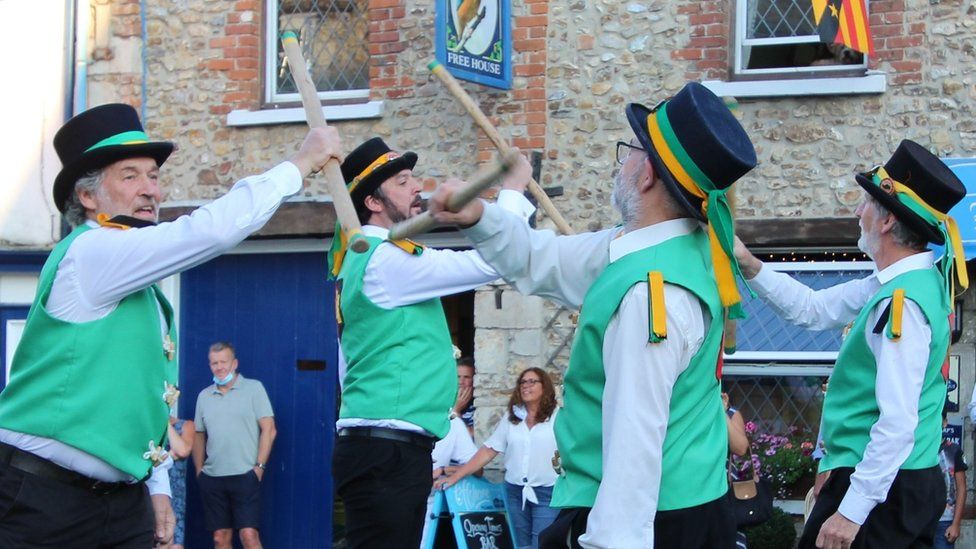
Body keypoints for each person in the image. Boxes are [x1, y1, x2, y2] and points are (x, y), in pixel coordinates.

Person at [429, 81, 758, 548]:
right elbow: (537, 260)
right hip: (675, 507)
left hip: (651, 519)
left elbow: (635, 441)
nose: (619, 163)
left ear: (646, 176)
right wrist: (478, 217)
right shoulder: (653, 250)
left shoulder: (650, 292)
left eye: (629, 151)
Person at [0, 103, 340, 548]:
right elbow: (210, 232)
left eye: (154, 176)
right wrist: (300, 164)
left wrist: (156, 483)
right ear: (87, 197)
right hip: (42, 499)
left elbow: (143, 395)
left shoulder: (139, 284)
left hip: (121, 501)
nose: (151, 191)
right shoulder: (91, 252)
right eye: (130, 176)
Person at [733, 139, 967, 548]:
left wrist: (850, 512)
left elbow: (896, 424)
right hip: (900, 482)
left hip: (883, 489)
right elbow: (813, 308)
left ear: (887, 221)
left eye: (865, 204)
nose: (858, 213)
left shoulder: (902, 301)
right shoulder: (904, 284)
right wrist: (751, 265)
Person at [329, 137, 534, 548]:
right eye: (403, 181)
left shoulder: (369, 256)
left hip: (382, 445)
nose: (416, 187)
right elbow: (491, 261)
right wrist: (512, 191)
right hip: (386, 448)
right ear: (372, 201)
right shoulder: (385, 259)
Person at [437, 367, 561, 548]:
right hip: (516, 491)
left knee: (541, 544)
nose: (526, 386)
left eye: (532, 381)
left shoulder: (558, 416)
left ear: (545, 387)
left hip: (547, 491)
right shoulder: (513, 417)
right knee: (521, 544)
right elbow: (489, 450)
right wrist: (456, 476)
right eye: (522, 382)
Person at [193, 342, 277, 549]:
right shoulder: (204, 396)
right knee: (220, 537)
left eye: (224, 362)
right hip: (213, 478)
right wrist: (199, 470)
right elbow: (198, 434)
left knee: (249, 536)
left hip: (245, 475)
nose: (219, 367)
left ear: (235, 363)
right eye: (214, 363)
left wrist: (259, 468)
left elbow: (270, 429)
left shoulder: (254, 389)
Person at [421, 412, 479, 548]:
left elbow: (478, 468)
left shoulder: (452, 421)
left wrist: (455, 472)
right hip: (393, 496)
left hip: (429, 499)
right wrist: (439, 471)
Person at [936, 405, 967, 548]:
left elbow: (961, 489)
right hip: (919, 521)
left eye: (937, 420)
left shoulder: (953, 450)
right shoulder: (916, 450)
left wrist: (955, 524)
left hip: (944, 522)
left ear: (944, 422)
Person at [167, 414, 196, 549]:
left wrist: (164, 422)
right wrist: (169, 456)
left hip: (175, 495)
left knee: (175, 543)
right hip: (148, 492)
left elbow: (183, 450)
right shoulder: (149, 425)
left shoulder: (186, 425)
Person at [454, 356, 477, 435]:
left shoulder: (479, 405)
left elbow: (473, 435)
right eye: (458, 377)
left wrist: (456, 411)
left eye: (466, 377)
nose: (461, 382)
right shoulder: (445, 401)